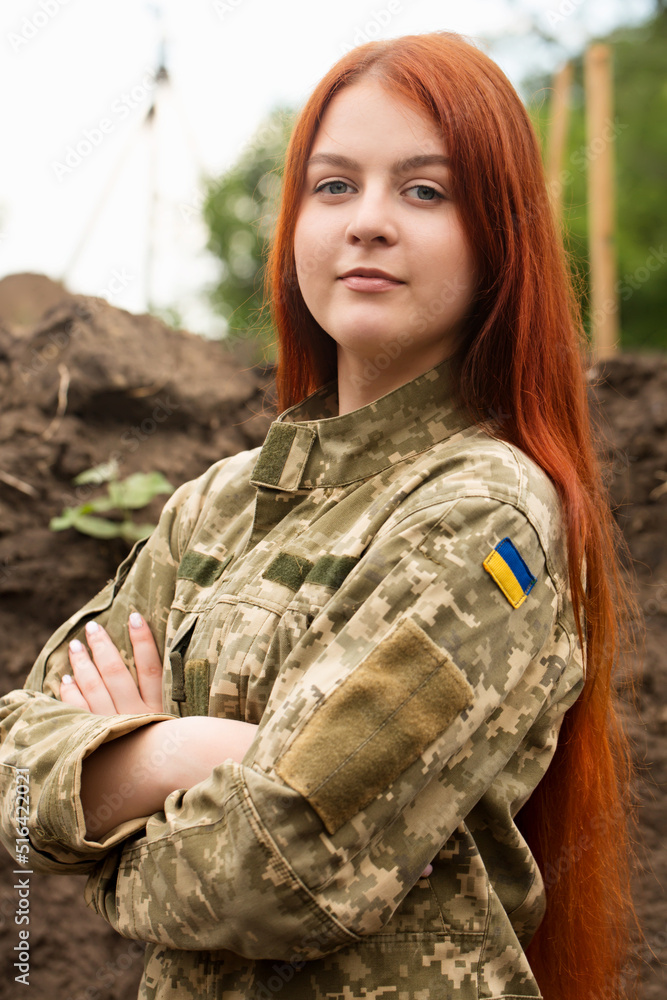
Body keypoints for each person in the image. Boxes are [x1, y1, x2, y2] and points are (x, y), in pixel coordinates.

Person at [0, 30, 639, 1000]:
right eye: (333, 185)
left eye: (423, 191)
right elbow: (11, 777)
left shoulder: (484, 518)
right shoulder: (215, 507)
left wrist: (105, 811)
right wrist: (191, 752)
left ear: (498, 235)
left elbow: (277, 874)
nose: (368, 222)